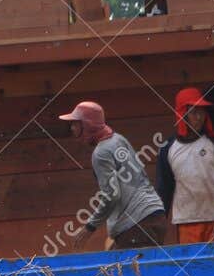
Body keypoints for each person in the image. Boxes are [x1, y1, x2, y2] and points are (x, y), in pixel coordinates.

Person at [60, 100, 168, 251]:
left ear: (87, 125)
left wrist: (90, 227)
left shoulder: (100, 153)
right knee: (115, 266)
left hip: (138, 223)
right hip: (154, 216)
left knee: (123, 272)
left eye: (76, 123)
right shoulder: (118, 139)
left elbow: (112, 194)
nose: (72, 128)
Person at [156, 87, 214, 244]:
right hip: (186, 222)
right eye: (193, 112)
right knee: (193, 266)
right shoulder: (168, 148)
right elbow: (164, 188)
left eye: (202, 112)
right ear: (182, 114)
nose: (199, 117)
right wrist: (158, 223)